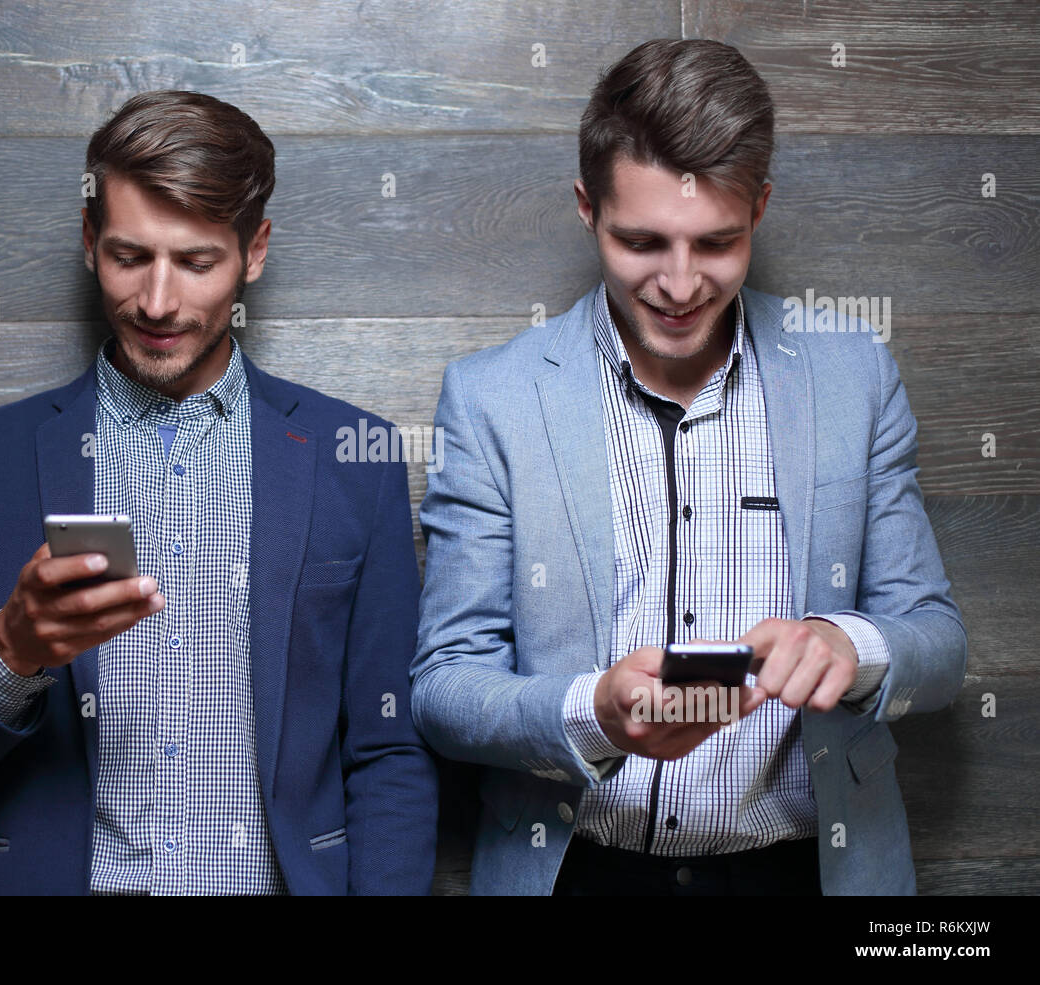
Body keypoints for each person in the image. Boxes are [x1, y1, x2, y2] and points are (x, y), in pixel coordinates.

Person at [410, 39, 965, 896]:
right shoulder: (492, 398)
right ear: (587, 208)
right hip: (579, 871)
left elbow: (938, 641)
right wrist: (590, 711)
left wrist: (849, 647)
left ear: (761, 209)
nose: (678, 284)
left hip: (813, 871)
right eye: (642, 241)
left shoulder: (854, 372)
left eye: (716, 243)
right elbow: (444, 687)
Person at [0, 90, 437, 895]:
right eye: (130, 256)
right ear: (88, 241)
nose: (158, 303)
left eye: (197, 262)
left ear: (255, 251)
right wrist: (12, 650)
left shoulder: (356, 457)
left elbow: (390, 750)